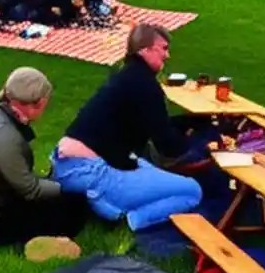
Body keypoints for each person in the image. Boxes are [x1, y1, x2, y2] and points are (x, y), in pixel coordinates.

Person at [50, 24, 202, 231]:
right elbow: (168, 146)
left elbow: (154, 123)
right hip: (91, 173)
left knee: (144, 165)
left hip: (63, 165)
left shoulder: (126, 77)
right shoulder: (144, 85)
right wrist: (202, 145)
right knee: (192, 191)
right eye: (164, 48)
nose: (168, 55)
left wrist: (189, 123)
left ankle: (105, 203)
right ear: (145, 49)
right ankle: (131, 217)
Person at [0, 67, 88, 255]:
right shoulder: (6, 138)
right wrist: (65, 185)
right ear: (39, 103)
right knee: (76, 205)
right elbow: (31, 190)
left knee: (58, 197)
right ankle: (34, 243)